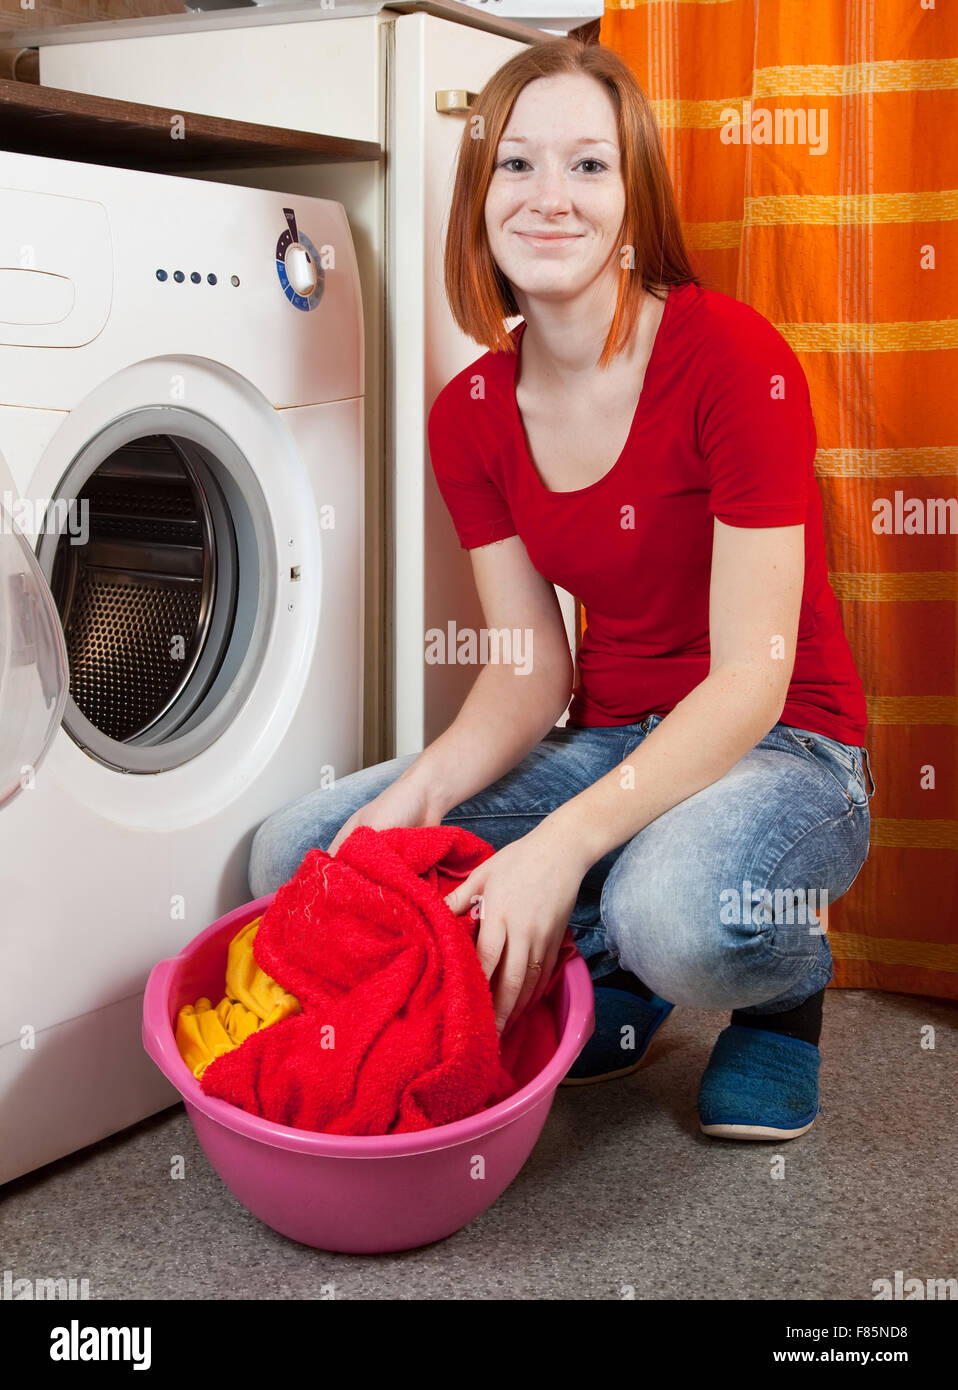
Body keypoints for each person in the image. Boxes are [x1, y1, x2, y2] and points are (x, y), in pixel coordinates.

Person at [249, 38, 876, 1142]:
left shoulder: (734, 359)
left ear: (633, 201)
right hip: (613, 737)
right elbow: (530, 670)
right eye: (514, 165)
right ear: (475, 199)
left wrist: (559, 844)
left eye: (588, 167)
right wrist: (426, 788)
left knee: (679, 918)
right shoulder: (472, 412)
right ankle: (608, 956)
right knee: (304, 850)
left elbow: (750, 679)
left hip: (783, 744)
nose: (550, 198)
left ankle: (779, 996)